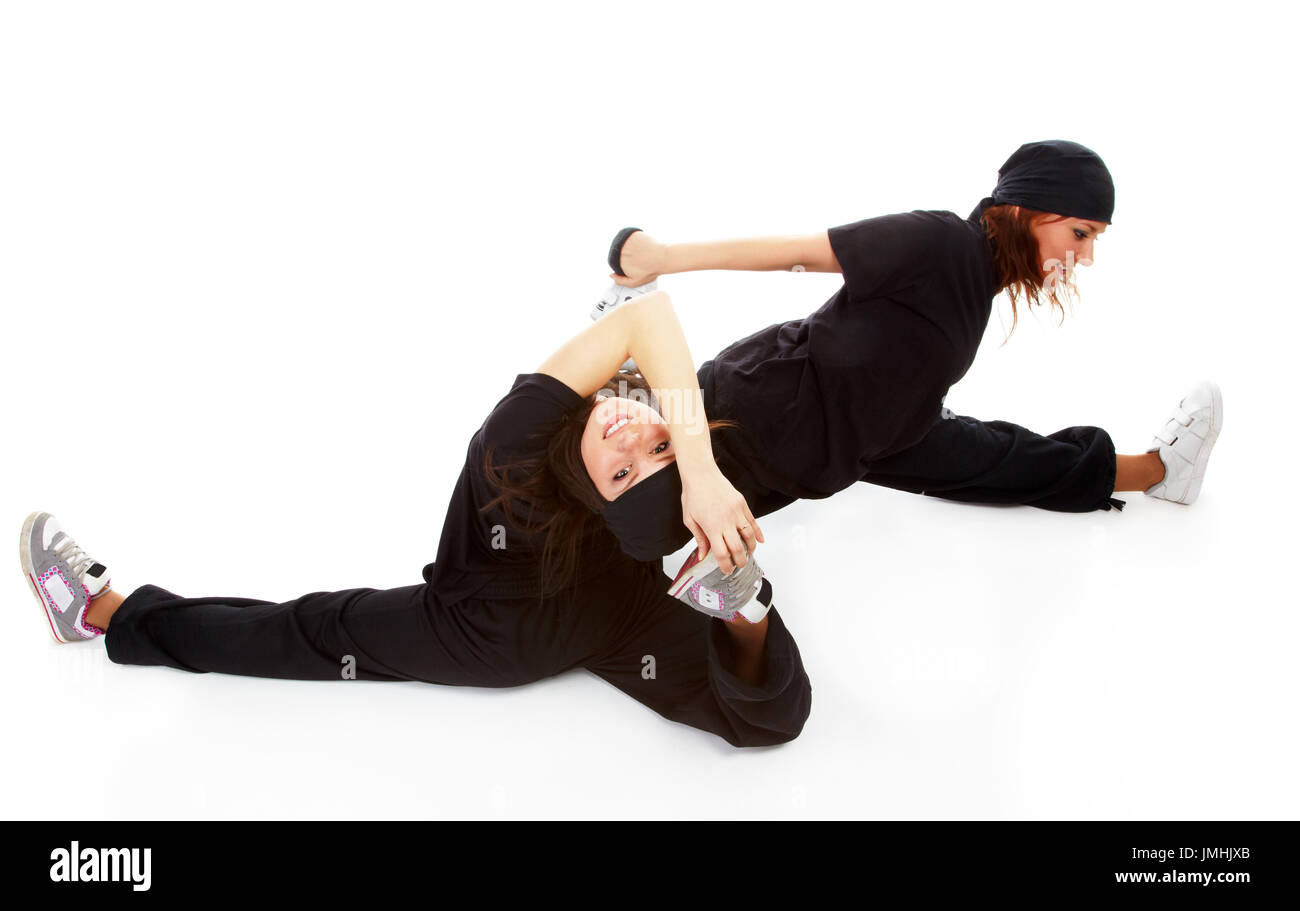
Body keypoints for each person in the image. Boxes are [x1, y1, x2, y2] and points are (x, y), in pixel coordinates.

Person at [18, 274, 814, 748]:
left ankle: (97, 613)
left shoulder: (515, 445)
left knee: (315, 629)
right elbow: (647, 335)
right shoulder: (635, 481)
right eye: (658, 447)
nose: (632, 434)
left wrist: (693, 479)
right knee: (754, 683)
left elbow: (647, 316)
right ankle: (743, 609)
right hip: (612, 589)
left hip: (495, 627)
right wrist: (699, 475)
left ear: (600, 497)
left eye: (624, 469)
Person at [517, 140, 1223, 571]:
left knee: (1002, 461)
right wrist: (663, 257)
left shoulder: (984, 278)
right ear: (1029, 210)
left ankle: (1159, 470)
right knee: (637, 514)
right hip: (773, 405)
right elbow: (801, 253)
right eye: (1081, 232)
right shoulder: (938, 241)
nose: (1085, 255)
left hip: (866, 438)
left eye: (1094, 238)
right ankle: (617, 360)